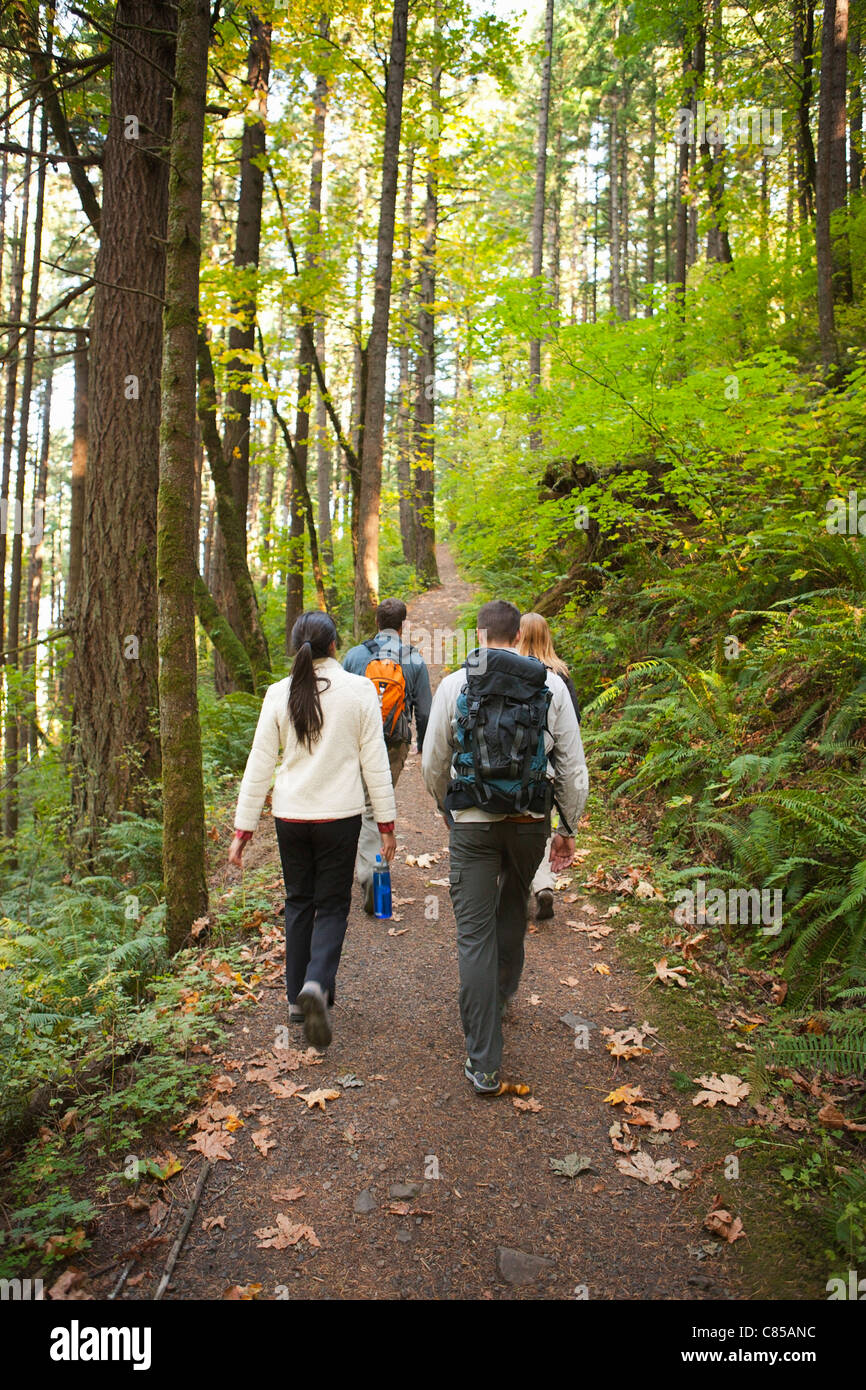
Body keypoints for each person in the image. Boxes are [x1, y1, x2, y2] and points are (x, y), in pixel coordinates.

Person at [422, 599, 588, 1096]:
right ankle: (502, 993)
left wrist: (447, 807)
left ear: (480, 635)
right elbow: (572, 766)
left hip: (472, 823)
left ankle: (484, 1062)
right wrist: (567, 826)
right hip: (529, 822)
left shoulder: (455, 683)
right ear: (519, 636)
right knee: (513, 906)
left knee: (474, 936)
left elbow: (433, 761)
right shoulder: (550, 685)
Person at [228, 611, 396, 1051]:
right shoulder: (359, 690)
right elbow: (375, 762)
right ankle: (317, 984)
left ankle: (296, 1001)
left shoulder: (277, 693)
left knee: (299, 902)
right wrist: (386, 824)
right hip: (339, 817)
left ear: (296, 647)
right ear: (335, 645)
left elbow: (259, 763)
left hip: (291, 817)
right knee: (333, 905)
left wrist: (243, 829)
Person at [342, 597, 432, 914]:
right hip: (394, 742)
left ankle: (360, 868)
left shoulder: (355, 656)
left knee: (358, 801)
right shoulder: (414, 659)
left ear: (377, 623)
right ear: (403, 626)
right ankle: (370, 872)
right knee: (374, 804)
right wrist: (422, 746)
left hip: (356, 740)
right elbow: (425, 711)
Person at [516, 611, 582, 924]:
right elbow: (573, 726)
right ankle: (543, 885)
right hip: (550, 769)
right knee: (542, 826)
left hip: (515, 768)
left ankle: (517, 887)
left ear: (518, 635)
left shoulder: (510, 671)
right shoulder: (561, 675)